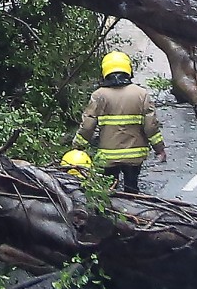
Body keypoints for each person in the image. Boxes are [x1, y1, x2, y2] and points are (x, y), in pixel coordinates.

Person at [71, 51, 166, 194]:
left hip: (108, 156)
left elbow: (88, 125)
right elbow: (151, 126)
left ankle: (110, 214)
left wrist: (78, 146)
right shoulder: (141, 94)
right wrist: (159, 149)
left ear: (105, 71)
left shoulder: (99, 96)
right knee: (132, 190)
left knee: (109, 191)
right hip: (135, 155)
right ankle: (134, 210)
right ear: (128, 69)